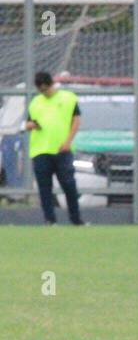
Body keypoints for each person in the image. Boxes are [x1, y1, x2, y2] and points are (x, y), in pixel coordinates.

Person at [23, 71, 84, 226]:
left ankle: (76, 219)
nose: (45, 93)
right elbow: (29, 122)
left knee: (68, 184)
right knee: (44, 187)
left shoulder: (68, 98)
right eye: (41, 90)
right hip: (40, 150)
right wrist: (30, 125)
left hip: (62, 149)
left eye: (46, 89)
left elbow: (76, 120)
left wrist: (68, 141)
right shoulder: (35, 102)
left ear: (52, 84)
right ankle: (50, 220)